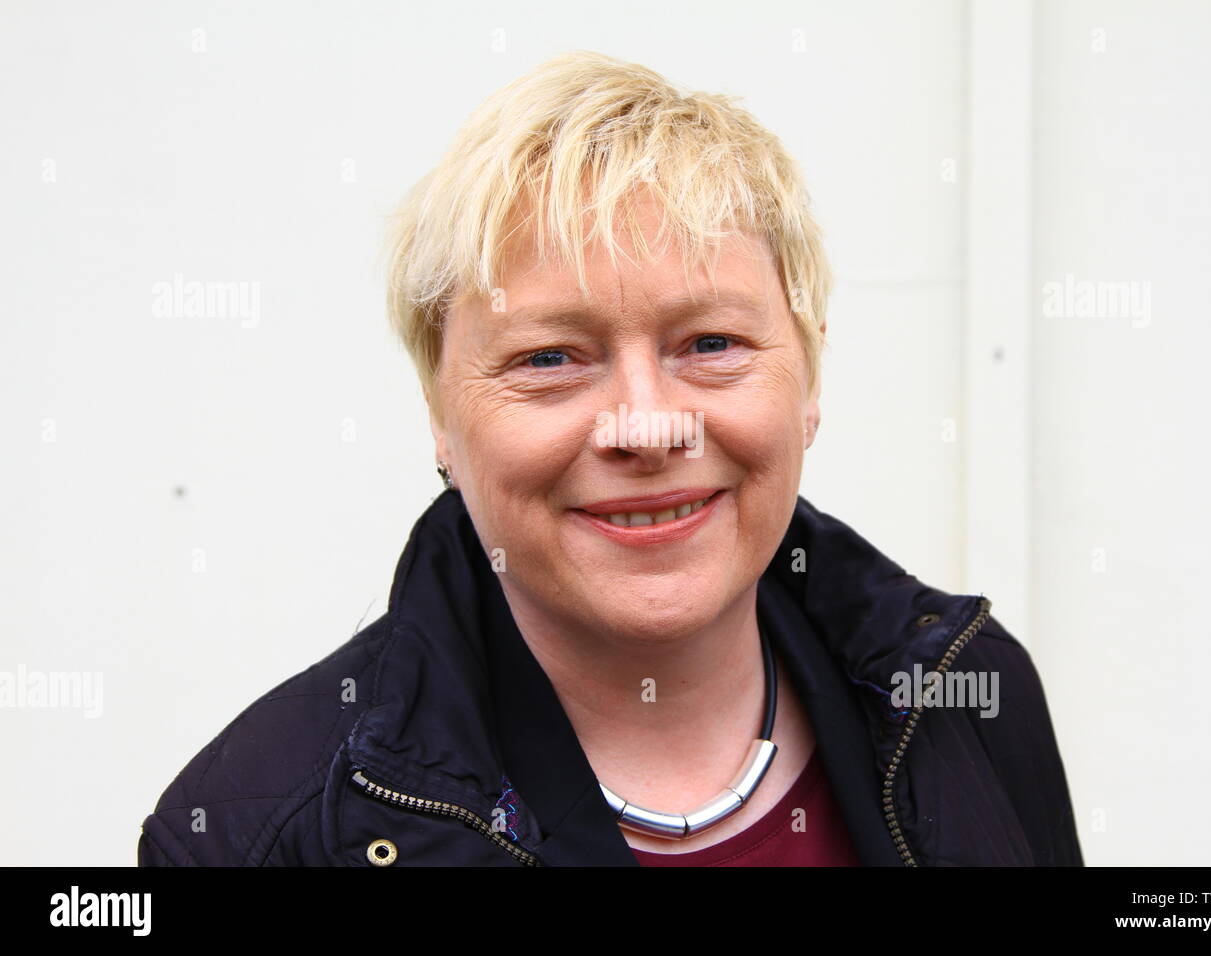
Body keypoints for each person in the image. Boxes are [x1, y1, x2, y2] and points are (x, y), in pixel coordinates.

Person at [138, 50, 1082, 867]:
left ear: (810, 378)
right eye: (550, 359)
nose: (646, 426)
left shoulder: (969, 699)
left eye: (709, 343)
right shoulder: (258, 832)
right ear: (439, 416)